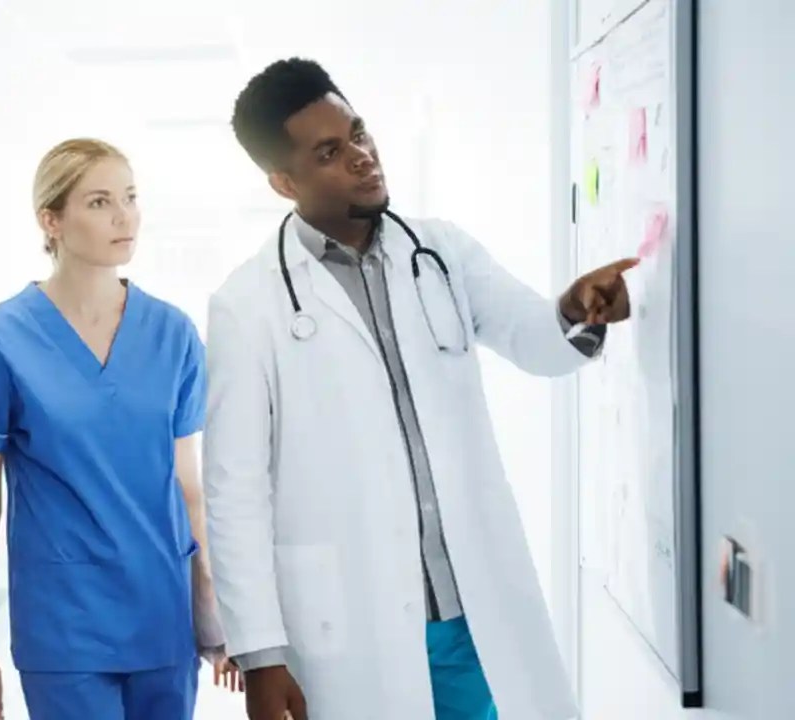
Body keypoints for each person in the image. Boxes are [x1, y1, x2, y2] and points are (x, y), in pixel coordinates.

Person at [203, 58, 637, 720]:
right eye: (330, 151)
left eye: (358, 133)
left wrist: (577, 310)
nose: (361, 157)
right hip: (350, 624)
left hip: (468, 608)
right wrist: (261, 654)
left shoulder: (440, 253)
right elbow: (234, 492)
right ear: (284, 181)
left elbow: (535, 339)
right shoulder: (248, 304)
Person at [0, 138, 241, 720]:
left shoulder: (172, 333)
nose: (125, 216)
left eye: (131, 198)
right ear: (50, 220)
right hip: (65, 625)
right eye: (101, 201)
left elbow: (189, 488)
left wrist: (212, 610)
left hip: (162, 615)